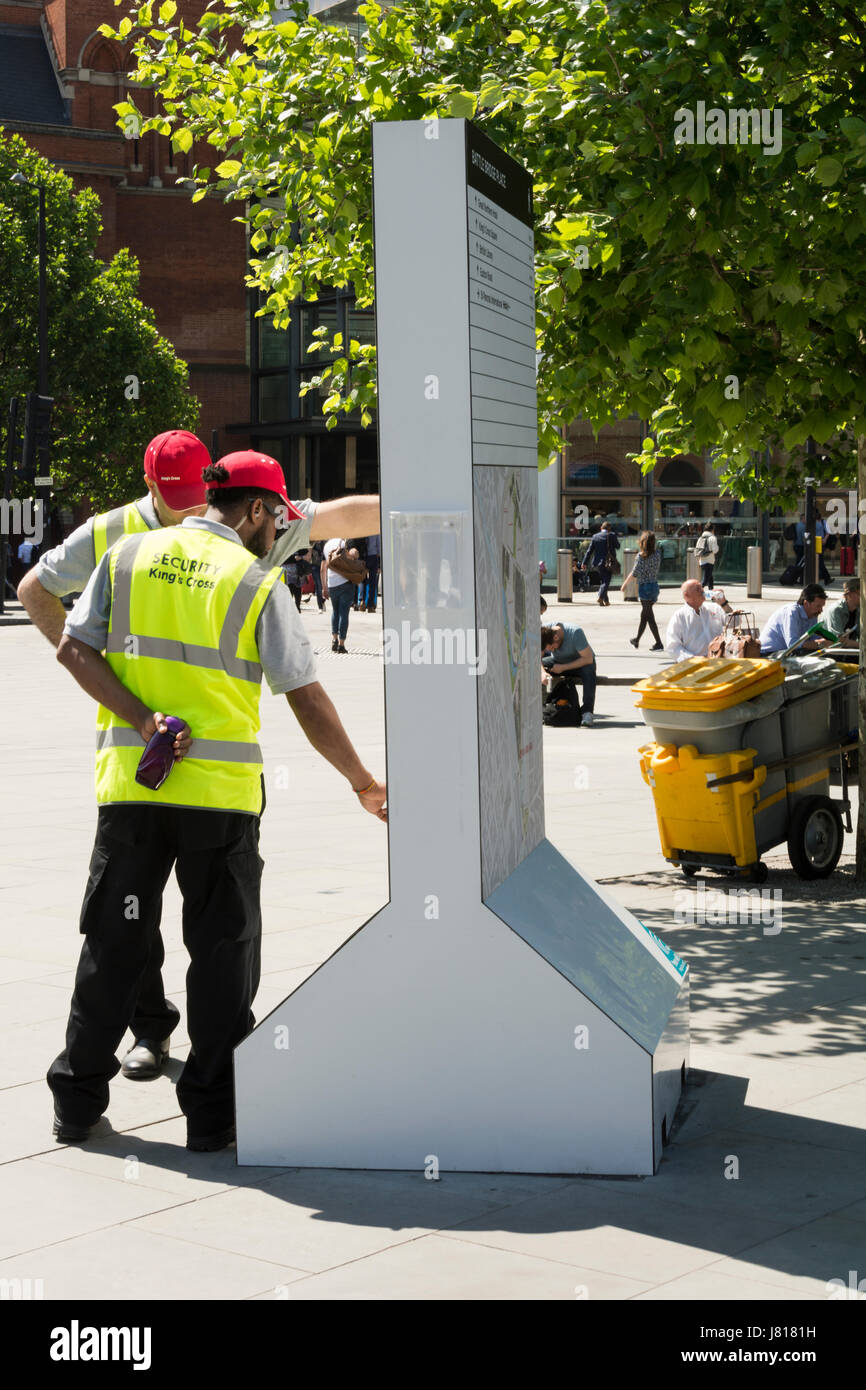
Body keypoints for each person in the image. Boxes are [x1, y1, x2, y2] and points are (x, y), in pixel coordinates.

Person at [47, 450, 387, 1152]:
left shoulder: (128, 557)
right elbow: (306, 697)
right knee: (222, 955)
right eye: (278, 518)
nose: (280, 532)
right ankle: (213, 1115)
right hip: (221, 806)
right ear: (258, 511)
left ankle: (77, 1104)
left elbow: (73, 649)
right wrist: (362, 780)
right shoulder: (255, 584)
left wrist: (143, 721)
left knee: (114, 946)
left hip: (132, 792)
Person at [540, 623, 597, 726]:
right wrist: (543, 672)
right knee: (537, 665)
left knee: (589, 671)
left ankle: (587, 712)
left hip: (581, 663)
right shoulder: (545, 631)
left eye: (553, 648)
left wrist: (563, 667)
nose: (553, 650)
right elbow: (536, 657)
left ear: (556, 637)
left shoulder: (575, 633)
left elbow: (588, 659)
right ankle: (543, 707)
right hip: (559, 662)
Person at [758, 583, 829, 656]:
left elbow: (813, 637)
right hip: (769, 653)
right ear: (806, 603)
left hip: (785, 652)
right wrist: (819, 644)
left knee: (825, 654)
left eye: (822, 606)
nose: (821, 610)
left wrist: (828, 641)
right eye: (818, 606)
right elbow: (793, 645)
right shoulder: (791, 613)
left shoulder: (813, 614)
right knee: (806, 655)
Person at [665, 579, 725, 662]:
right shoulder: (680, 616)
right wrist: (693, 659)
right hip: (694, 665)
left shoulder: (714, 608)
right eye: (698, 589)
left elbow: (735, 622)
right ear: (687, 595)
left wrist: (724, 603)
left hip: (718, 661)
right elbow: (673, 647)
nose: (702, 591)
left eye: (702, 588)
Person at [623, 530, 663, 651]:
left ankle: (658, 643)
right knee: (645, 615)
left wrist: (624, 584)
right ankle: (637, 640)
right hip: (654, 587)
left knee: (648, 617)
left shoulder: (640, 557)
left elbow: (634, 573)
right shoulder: (657, 554)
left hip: (645, 588)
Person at [322, 537, 355, 652]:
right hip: (345, 582)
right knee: (344, 612)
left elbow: (323, 568)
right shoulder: (344, 542)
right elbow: (354, 554)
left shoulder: (326, 545)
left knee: (335, 611)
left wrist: (324, 587)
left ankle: (334, 640)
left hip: (332, 583)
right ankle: (341, 644)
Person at [582, 520, 618, 606]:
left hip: (598, 563)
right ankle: (600, 596)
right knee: (606, 581)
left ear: (601, 528)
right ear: (609, 529)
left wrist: (584, 562)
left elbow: (589, 551)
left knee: (603, 580)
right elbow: (618, 546)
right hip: (609, 562)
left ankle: (605, 601)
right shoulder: (612, 535)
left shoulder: (595, 536)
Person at [821, 577, 859, 647]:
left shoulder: (859, 610)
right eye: (861, 593)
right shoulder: (836, 610)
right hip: (830, 652)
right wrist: (859, 645)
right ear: (850, 595)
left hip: (849, 651)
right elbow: (837, 640)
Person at [360, 532, 380, 613]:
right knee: (372, 582)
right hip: (373, 556)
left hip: (363, 556)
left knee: (362, 580)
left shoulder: (363, 529)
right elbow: (378, 546)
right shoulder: (375, 531)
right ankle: (370, 605)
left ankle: (361, 601)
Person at [694, 522, 718, 589]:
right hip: (709, 561)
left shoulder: (700, 538)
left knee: (710, 578)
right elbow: (715, 550)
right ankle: (695, 593)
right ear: (712, 529)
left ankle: (712, 595)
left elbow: (698, 549)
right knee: (705, 580)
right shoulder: (712, 538)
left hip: (702, 561)